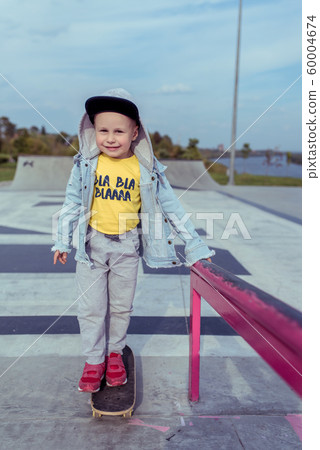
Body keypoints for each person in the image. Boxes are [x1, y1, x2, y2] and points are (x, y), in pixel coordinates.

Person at [52, 88, 214, 393]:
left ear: (134, 132)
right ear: (92, 131)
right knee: (90, 308)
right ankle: (93, 360)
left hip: (127, 247)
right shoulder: (87, 165)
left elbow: (172, 207)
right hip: (91, 248)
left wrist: (194, 246)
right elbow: (71, 202)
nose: (110, 138)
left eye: (118, 131)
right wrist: (62, 241)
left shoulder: (146, 169)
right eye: (103, 130)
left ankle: (114, 354)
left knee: (121, 307)